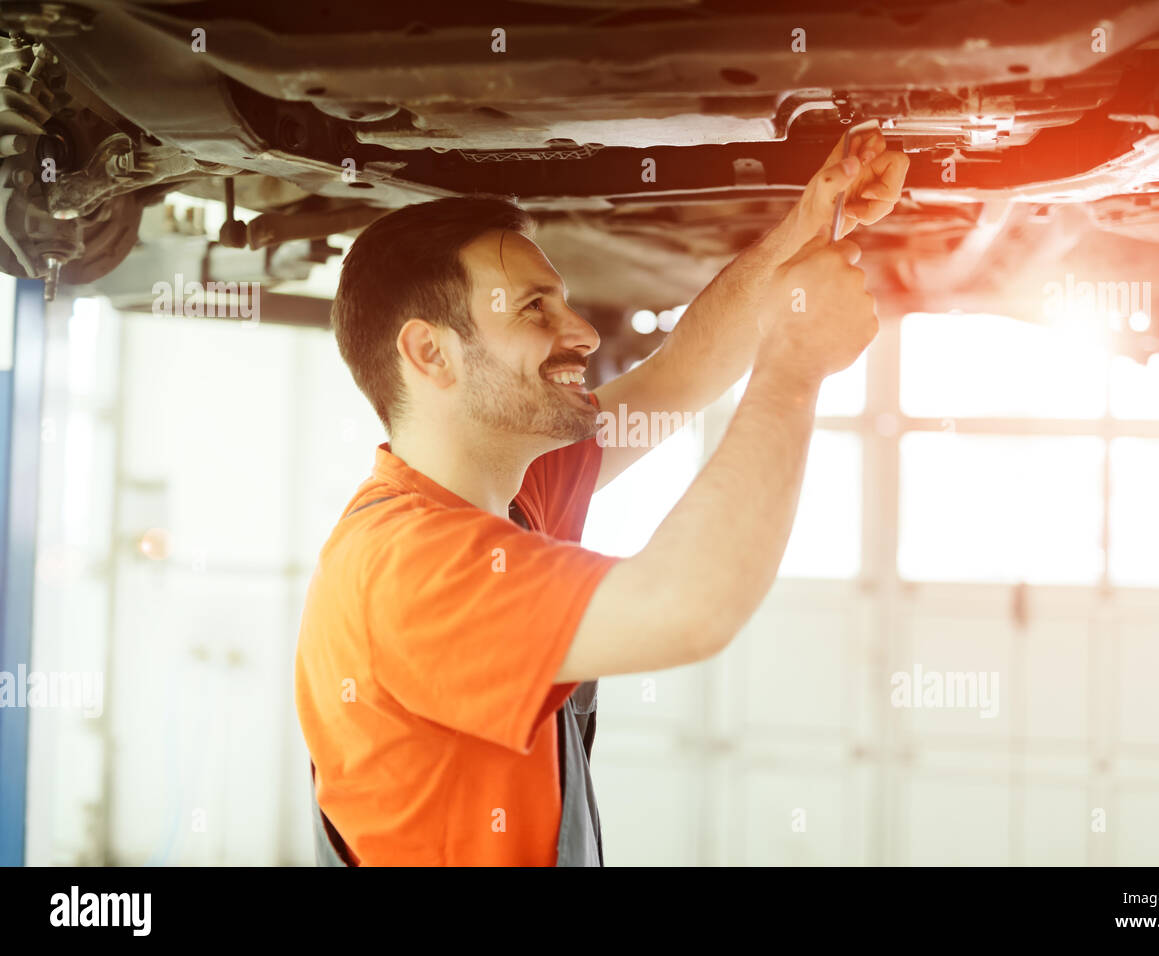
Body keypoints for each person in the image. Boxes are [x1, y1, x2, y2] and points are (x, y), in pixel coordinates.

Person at [295, 130, 908, 865]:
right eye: (534, 311)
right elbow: (688, 606)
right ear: (431, 353)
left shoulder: (508, 493)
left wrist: (810, 224)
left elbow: (680, 373)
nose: (582, 333)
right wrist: (796, 363)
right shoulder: (411, 571)